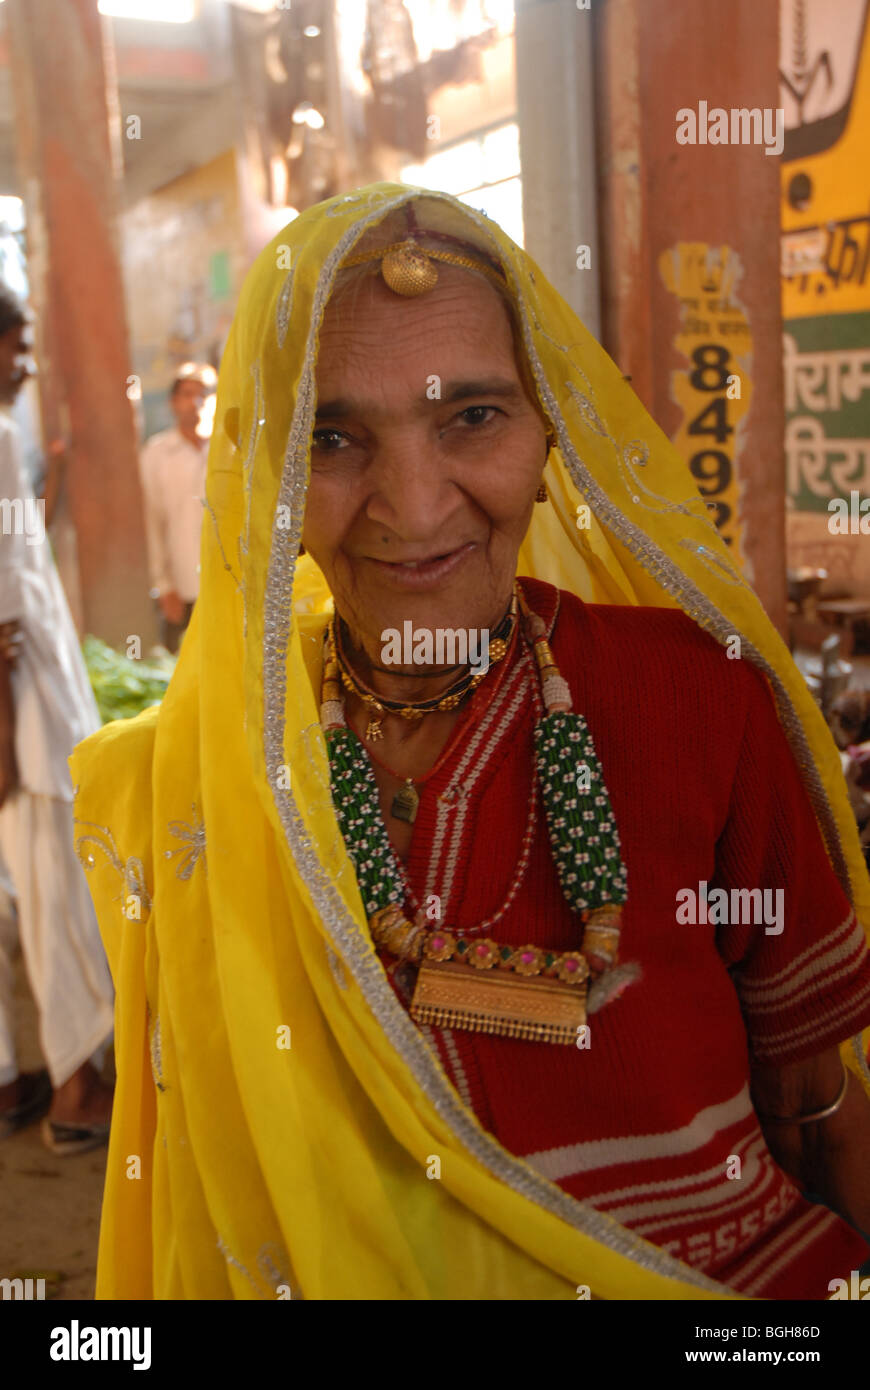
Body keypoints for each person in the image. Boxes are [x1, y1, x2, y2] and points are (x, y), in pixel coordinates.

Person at [72, 187, 870, 1300]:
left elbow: (813, 1110)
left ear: (552, 433)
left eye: (471, 418)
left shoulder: (695, 693)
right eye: (334, 436)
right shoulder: (211, 778)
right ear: (271, 477)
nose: (411, 503)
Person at [0, 283, 114, 1155]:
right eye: (17, 343)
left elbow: (16, 563)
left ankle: (59, 1080)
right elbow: (5, 615)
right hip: (31, 724)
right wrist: (7, 741)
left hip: (36, 709)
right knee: (60, 904)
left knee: (49, 899)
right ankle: (79, 1095)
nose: (27, 362)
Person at [139, 362, 217, 652]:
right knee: (182, 668)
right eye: (187, 393)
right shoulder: (157, 454)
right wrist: (163, 584)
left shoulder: (230, 450)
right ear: (173, 402)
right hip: (182, 588)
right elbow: (152, 521)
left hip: (227, 583)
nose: (195, 401)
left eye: (204, 393)